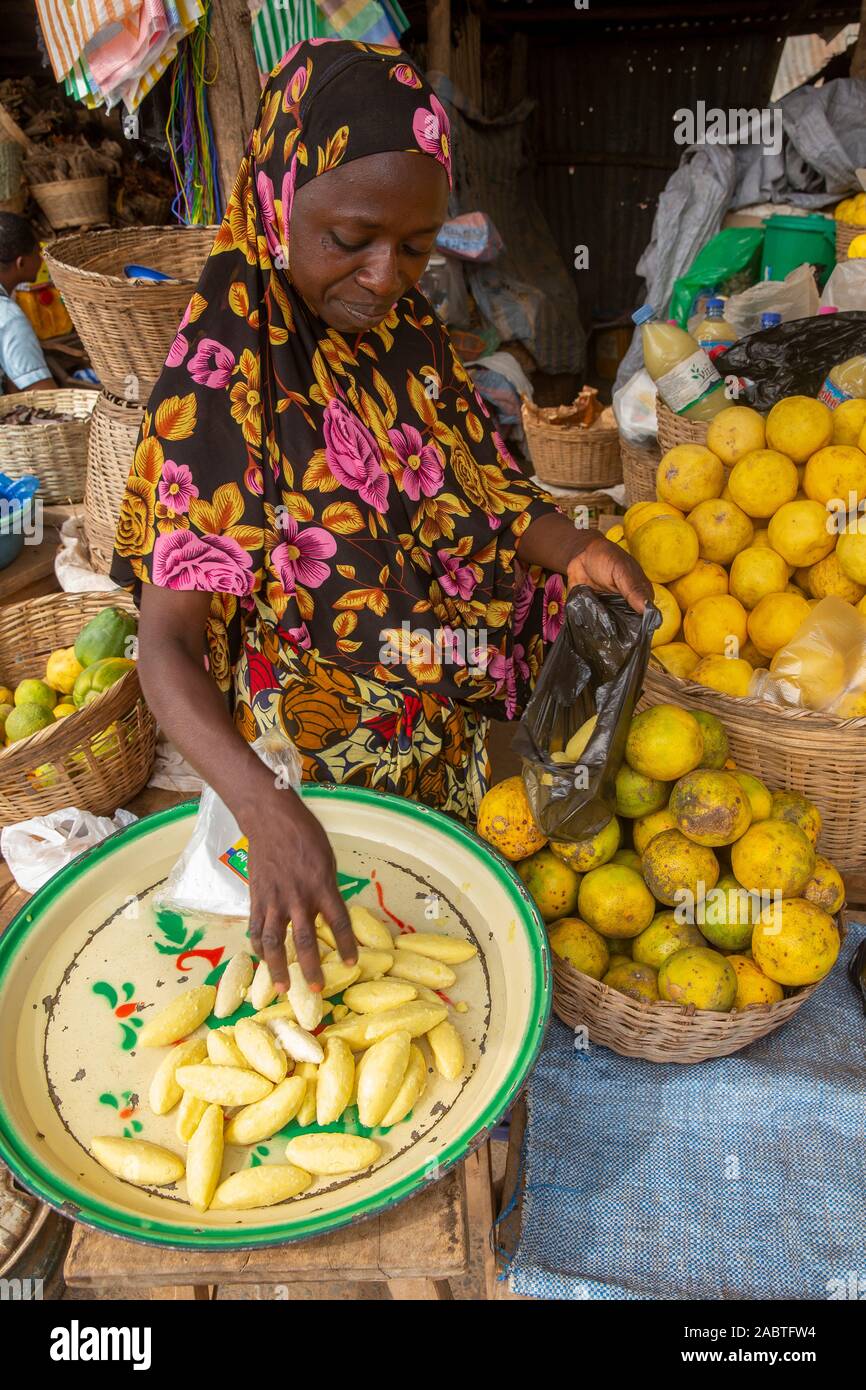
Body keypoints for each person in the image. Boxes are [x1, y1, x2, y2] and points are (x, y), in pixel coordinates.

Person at [112, 39, 651, 993]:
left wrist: (573, 546)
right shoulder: (224, 367)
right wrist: (264, 807)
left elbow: (477, 486)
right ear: (280, 199)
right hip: (319, 766)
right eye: (352, 237)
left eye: (415, 244)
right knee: (351, 966)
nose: (384, 274)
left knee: (449, 935)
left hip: (443, 712)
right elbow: (167, 649)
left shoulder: (407, 333)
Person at [0, 213, 55, 393]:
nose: (41, 259)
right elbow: (44, 396)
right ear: (21, 263)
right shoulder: (9, 318)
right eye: (37, 252)